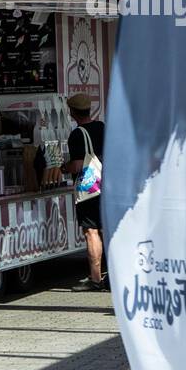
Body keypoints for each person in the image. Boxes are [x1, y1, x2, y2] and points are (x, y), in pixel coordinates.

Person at [62, 93, 106, 291]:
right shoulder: (102, 127)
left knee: (91, 231)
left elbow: (79, 165)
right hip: (109, 184)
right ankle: (113, 276)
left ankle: (95, 279)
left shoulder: (78, 134)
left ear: (72, 112)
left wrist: (64, 167)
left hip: (91, 188)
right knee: (108, 230)